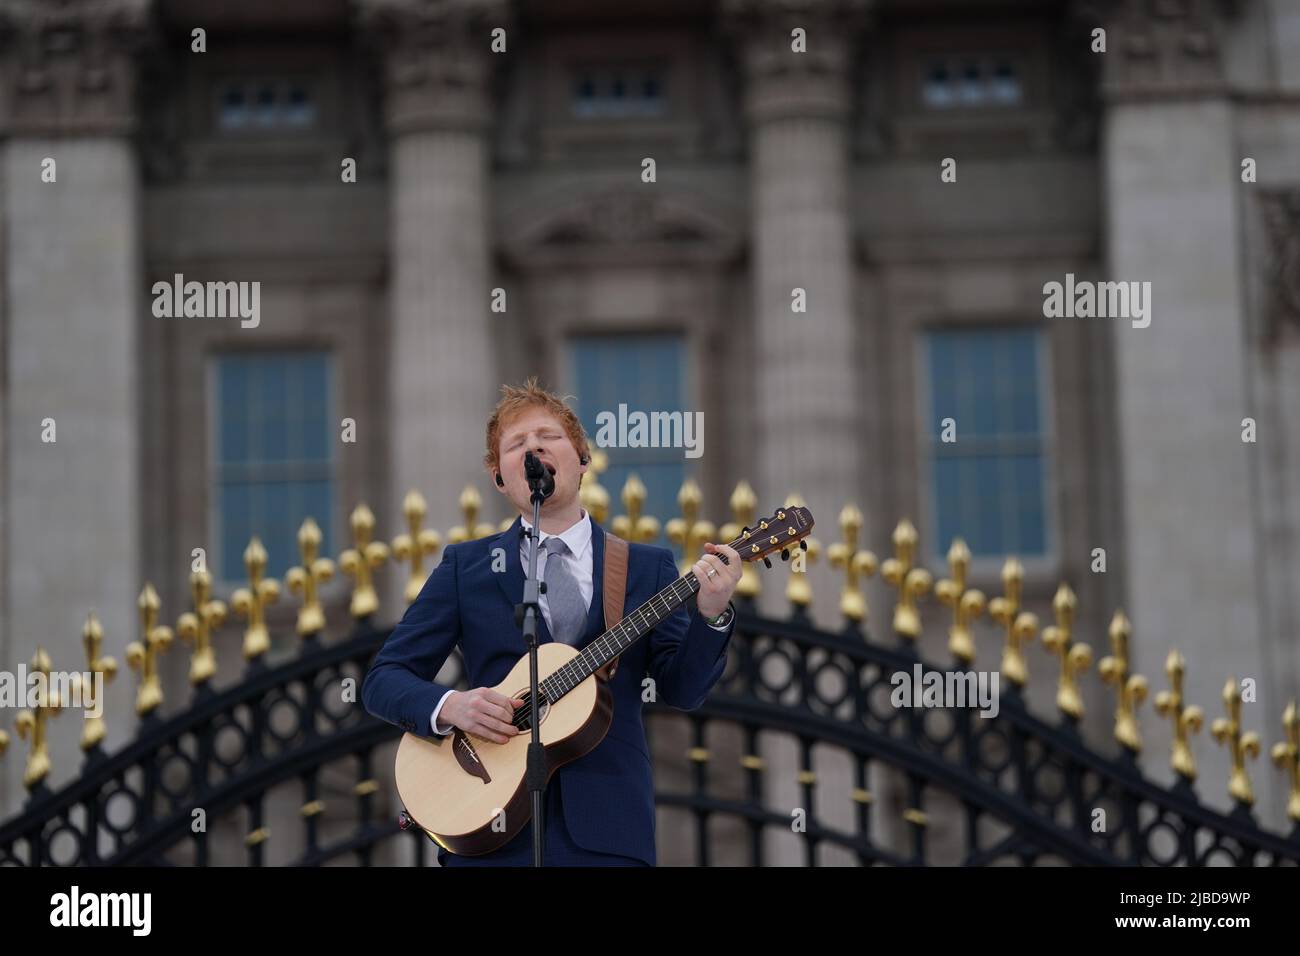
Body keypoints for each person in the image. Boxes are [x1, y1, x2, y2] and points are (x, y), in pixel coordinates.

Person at [361, 379, 742, 866]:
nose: (533, 448)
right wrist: (451, 705)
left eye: (547, 437)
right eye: (516, 445)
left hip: (607, 836)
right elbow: (383, 679)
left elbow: (684, 690)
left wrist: (711, 616)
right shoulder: (467, 568)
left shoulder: (647, 568)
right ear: (500, 478)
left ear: (582, 459)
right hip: (490, 833)